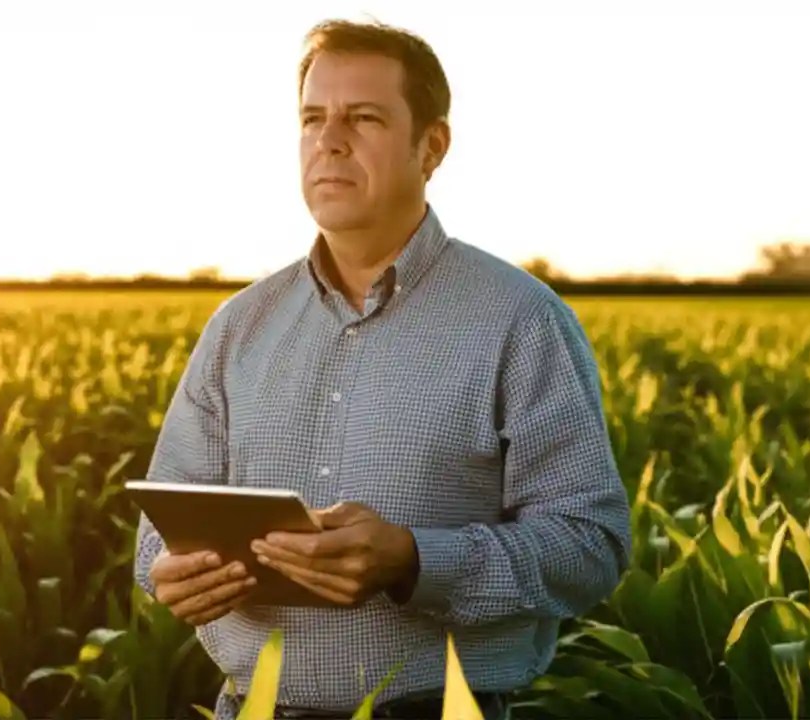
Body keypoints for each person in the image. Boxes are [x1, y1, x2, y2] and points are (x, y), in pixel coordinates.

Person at [132, 17, 632, 720]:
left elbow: (591, 545)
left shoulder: (520, 318)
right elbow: (157, 532)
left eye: (363, 118)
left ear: (431, 146)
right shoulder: (236, 328)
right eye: (312, 118)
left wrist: (413, 560)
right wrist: (169, 573)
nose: (329, 140)